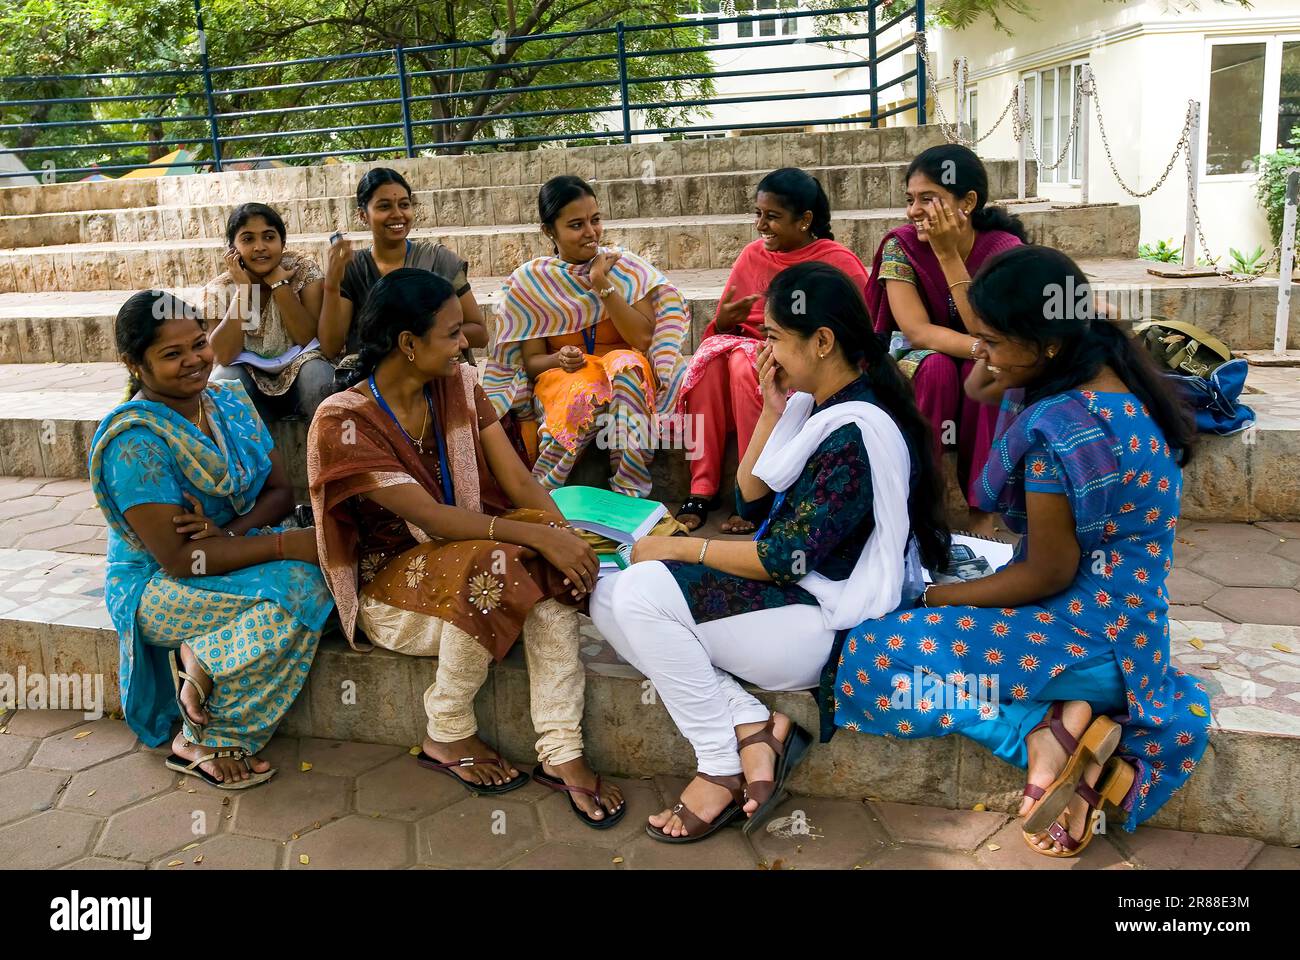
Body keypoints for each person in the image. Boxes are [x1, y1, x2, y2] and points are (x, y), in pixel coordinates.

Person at [830, 245, 1211, 858]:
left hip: (1087, 637)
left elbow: (1046, 572)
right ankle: (1071, 724)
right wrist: (994, 345)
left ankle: (1037, 734)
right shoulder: (1114, 384)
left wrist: (933, 595)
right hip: (1136, 631)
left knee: (869, 654)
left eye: (992, 340)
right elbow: (984, 381)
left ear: (1047, 346)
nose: (977, 354)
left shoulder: (1058, 434)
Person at [590, 262, 949, 842]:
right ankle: (751, 723)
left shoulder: (856, 429)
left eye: (775, 339)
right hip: (787, 602)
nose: (768, 353)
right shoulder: (817, 405)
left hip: (824, 625)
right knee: (605, 592)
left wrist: (685, 550)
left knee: (638, 592)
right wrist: (774, 409)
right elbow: (750, 501)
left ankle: (720, 764)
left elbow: (784, 557)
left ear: (823, 341)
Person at [308, 268, 625, 826]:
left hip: (471, 564)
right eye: (453, 334)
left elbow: (522, 482)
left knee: (534, 564)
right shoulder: (342, 419)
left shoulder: (457, 386)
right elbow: (430, 518)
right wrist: (539, 536)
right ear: (408, 344)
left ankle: (561, 750)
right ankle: (448, 732)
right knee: (501, 558)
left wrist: (564, 540)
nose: (466, 343)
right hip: (391, 593)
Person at [90, 290, 332, 789]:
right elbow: (182, 559)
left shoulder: (228, 401)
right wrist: (285, 546)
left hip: (224, 550)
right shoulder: (136, 443)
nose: (193, 361)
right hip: (154, 587)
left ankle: (200, 659)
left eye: (198, 344)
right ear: (135, 364)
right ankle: (205, 736)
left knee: (336, 574)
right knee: (302, 588)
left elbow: (281, 492)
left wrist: (230, 532)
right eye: (171, 354)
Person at [675, 167, 870, 534]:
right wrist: (726, 320)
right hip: (748, 345)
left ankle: (756, 491)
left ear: (805, 220)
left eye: (773, 217)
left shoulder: (837, 261)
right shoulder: (752, 256)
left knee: (741, 362)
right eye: (758, 214)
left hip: (804, 358)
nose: (761, 225)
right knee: (708, 363)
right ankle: (702, 487)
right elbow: (727, 322)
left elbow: (861, 328)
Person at [481, 174, 688, 497]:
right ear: (549, 231)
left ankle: (629, 490)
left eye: (595, 220)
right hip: (566, 381)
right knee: (584, 390)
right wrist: (558, 358)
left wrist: (600, 282)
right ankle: (542, 494)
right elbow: (533, 364)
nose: (591, 233)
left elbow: (643, 339)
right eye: (576, 225)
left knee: (627, 366)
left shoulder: (624, 268)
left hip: (625, 382)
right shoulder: (532, 283)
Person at [865, 144, 1027, 534]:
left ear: (967, 201)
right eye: (910, 200)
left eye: (929, 199)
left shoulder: (1005, 252)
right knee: (938, 368)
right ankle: (924, 502)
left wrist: (947, 254)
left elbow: (987, 326)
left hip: (989, 357)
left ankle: (981, 509)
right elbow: (917, 330)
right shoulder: (900, 246)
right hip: (918, 355)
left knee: (987, 372)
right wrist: (979, 348)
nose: (914, 211)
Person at [319, 167, 488, 366]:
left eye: (404, 204)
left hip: (436, 379)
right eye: (384, 206)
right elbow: (331, 347)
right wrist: (331, 285)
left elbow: (480, 333)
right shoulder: (353, 268)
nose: (398, 214)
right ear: (363, 215)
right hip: (375, 382)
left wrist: (425, 336)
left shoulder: (439, 260)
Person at [203, 202, 335, 422]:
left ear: (282, 243)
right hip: (251, 385)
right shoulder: (220, 289)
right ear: (232, 250)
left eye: (268, 237)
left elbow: (308, 338)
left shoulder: (303, 271)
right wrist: (243, 291)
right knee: (224, 380)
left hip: (301, 374)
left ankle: (332, 453)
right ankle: (246, 454)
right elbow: (222, 356)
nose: (260, 247)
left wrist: (279, 285)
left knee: (317, 374)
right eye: (248, 239)